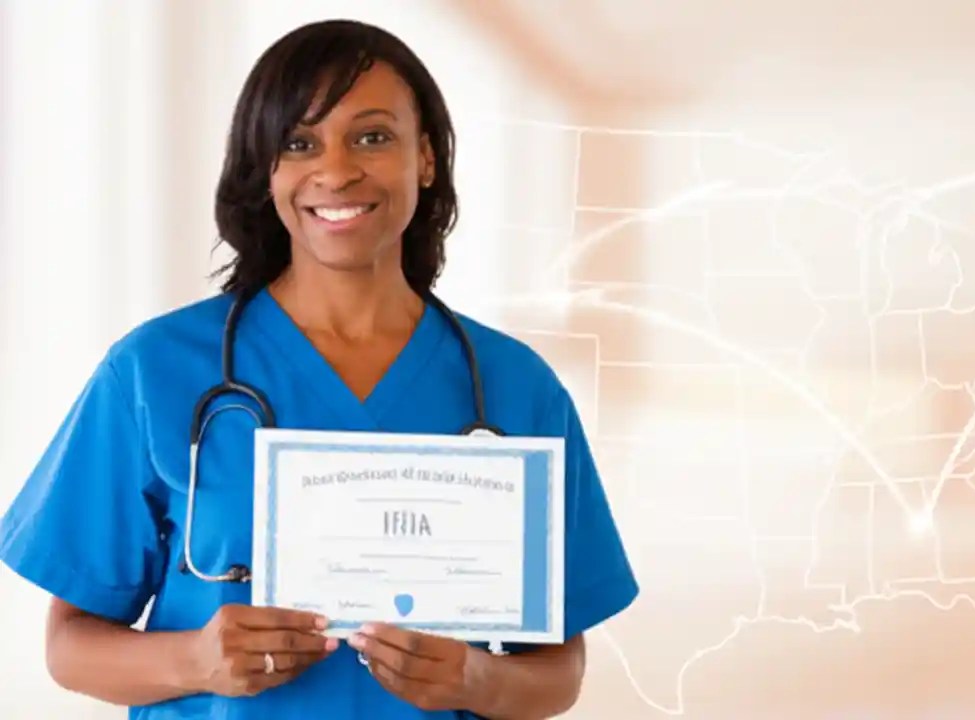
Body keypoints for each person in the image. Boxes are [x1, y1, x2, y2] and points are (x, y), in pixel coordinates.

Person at [0, 18, 638, 720]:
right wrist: (196, 660)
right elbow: (70, 647)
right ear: (265, 170)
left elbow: (559, 669)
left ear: (425, 157)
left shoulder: (517, 387)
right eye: (298, 143)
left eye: (372, 136)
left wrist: (473, 681)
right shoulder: (154, 372)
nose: (336, 171)